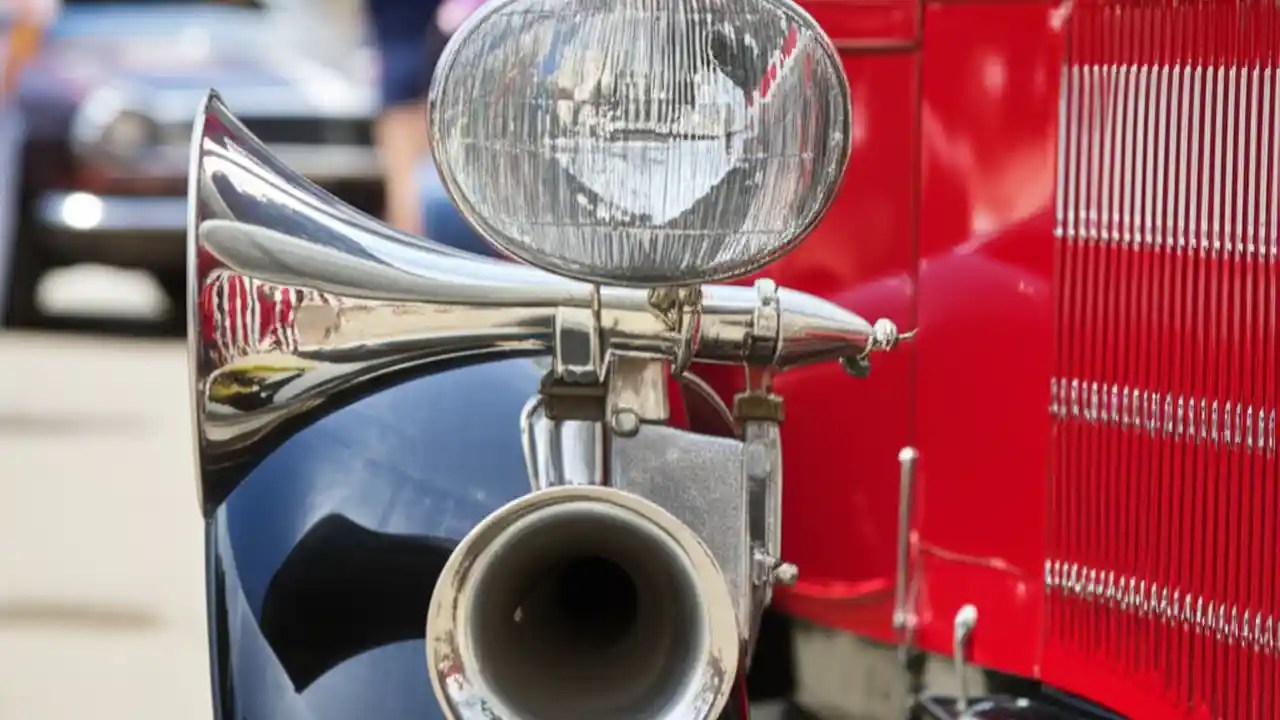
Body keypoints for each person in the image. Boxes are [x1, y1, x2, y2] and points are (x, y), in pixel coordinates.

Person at [364, 0, 452, 236]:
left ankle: (410, 249)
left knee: (405, 184)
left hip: (405, 69)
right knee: (422, 182)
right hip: (430, 62)